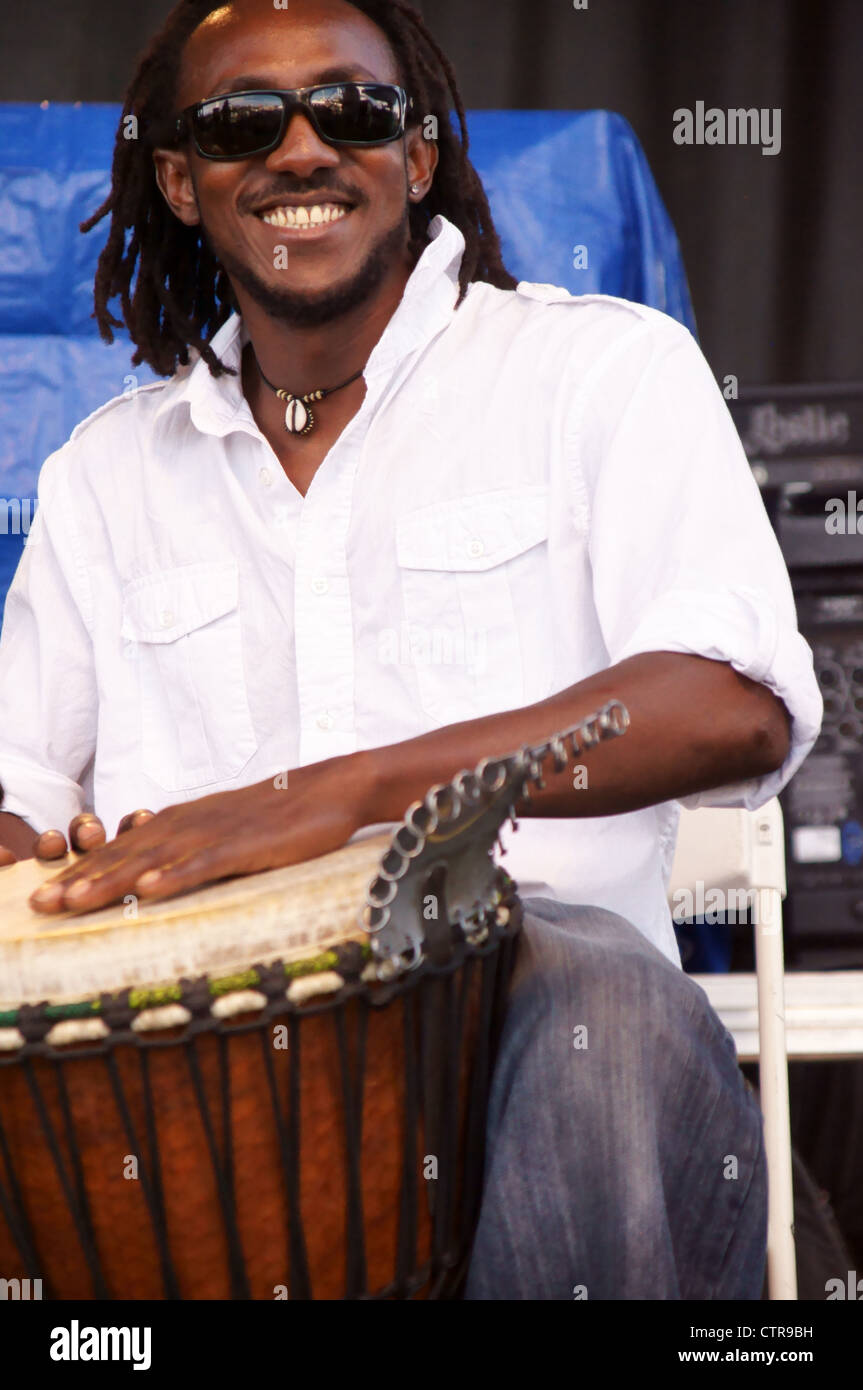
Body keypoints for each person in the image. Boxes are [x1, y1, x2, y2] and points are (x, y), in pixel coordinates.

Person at [0, 0, 822, 1298]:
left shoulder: (598, 374)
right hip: (221, 1096)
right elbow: (20, 804)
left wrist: (326, 800)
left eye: (355, 108)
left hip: (557, 1065)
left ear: (419, 153)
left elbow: (728, 700)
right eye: (240, 122)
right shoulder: (107, 478)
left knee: (582, 983)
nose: (302, 147)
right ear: (180, 179)